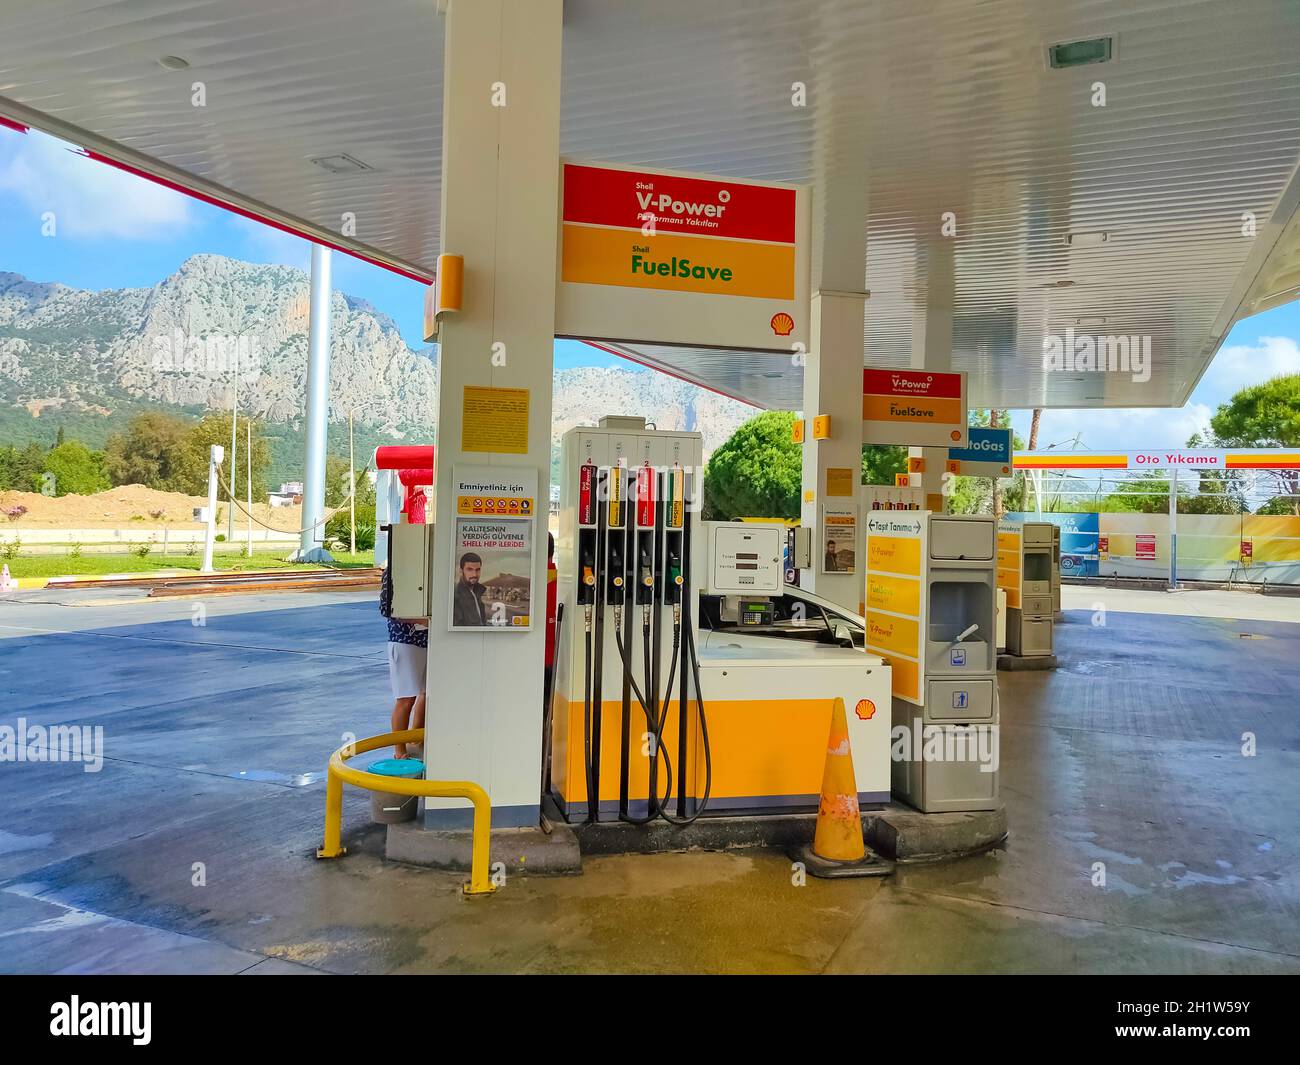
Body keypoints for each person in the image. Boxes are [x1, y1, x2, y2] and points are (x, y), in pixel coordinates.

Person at [379, 561, 427, 758]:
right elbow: (386, 608)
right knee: (406, 698)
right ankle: (399, 750)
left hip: (430, 641)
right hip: (405, 641)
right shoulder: (393, 572)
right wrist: (422, 619)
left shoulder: (429, 569)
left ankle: (416, 738)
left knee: (427, 694)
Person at [452, 551, 488, 626]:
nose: (474, 574)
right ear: (461, 571)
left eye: (477, 570)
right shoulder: (456, 596)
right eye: (469, 569)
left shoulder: (477, 592)